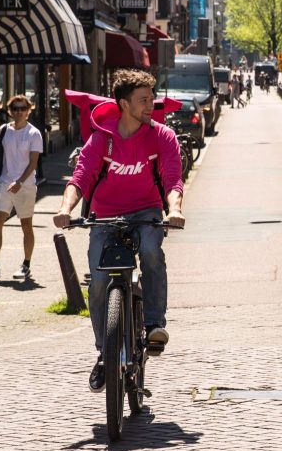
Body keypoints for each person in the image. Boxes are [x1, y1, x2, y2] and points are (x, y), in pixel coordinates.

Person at [53, 69, 185, 392]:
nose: (150, 105)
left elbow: (172, 179)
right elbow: (80, 178)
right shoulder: (102, 139)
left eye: (152, 98)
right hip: (105, 215)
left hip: (147, 213)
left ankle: (154, 323)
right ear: (124, 104)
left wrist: (175, 209)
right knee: (98, 283)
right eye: (143, 100)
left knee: (152, 252)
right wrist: (65, 209)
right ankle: (104, 353)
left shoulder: (162, 137)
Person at [0, 95, 43, 281]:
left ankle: (26, 265)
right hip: (4, 182)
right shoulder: (3, 130)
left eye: (22, 108)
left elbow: (33, 163)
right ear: (10, 111)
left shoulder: (34, 134)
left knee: (26, 225)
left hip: (26, 185)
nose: (18, 112)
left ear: (28, 110)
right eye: (15, 108)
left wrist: (20, 182)